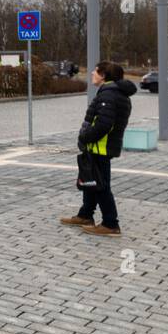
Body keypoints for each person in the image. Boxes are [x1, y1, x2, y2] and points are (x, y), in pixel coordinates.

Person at [61, 61, 135, 236]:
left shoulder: (109, 95)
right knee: (91, 181)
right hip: (100, 146)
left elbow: (103, 125)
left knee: (101, 186)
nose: (92, 74)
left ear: (104, 76)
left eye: (95, 71)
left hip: (100, 147)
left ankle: (111, 223)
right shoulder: (113, 93)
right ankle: (85, 215)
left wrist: (84, 137)